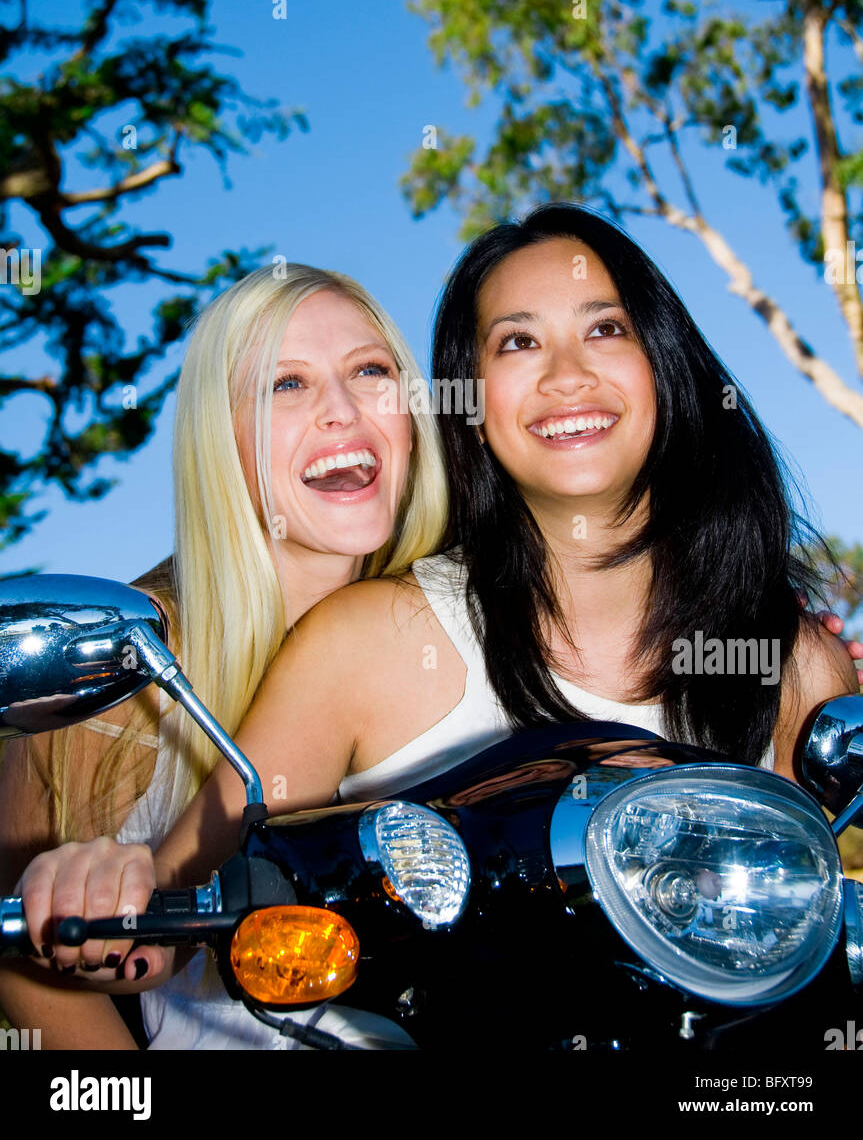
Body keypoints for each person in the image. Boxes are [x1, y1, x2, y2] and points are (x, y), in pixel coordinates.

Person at [13, 203, 862, 1046]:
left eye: (606, 329)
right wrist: (102, 890)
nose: (566, 374)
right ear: (471, 406)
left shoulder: (799, 671)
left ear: (668, 365)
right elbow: (160, 922)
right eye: (517, 342)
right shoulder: (363, 639)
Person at [0, 261, 447, 1048]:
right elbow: (24, 959)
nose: (342, 412)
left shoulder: (465, 626)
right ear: (219, 433)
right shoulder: (120, 650)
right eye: (286, 385)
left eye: (370, 370)